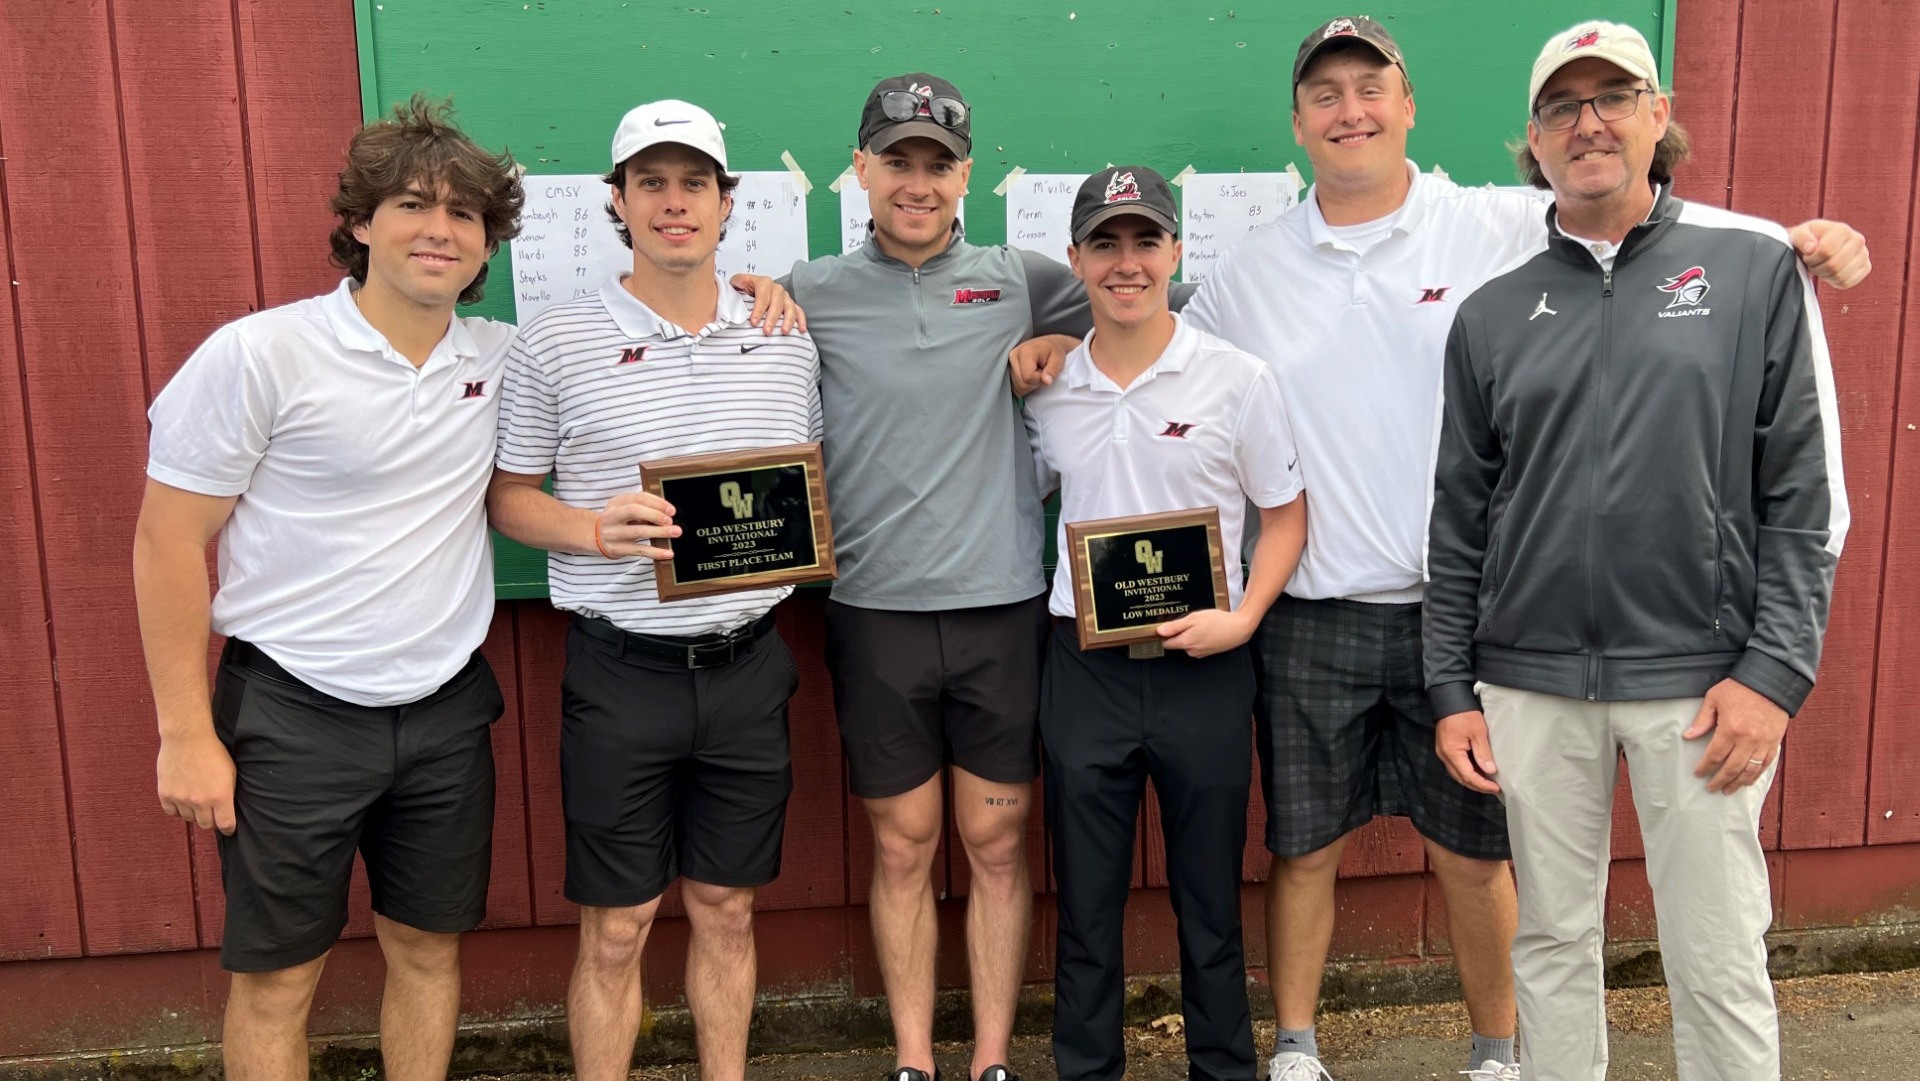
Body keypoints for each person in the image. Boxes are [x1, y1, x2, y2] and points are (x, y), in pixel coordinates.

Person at [1010, 16, 1868, 1081]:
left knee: (1476, 853)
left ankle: (1498, 1053)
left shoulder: (1492, 223)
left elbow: (1636, 219)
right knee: (1304, 848)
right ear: (1298, 123)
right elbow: (1146, 317)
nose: (1351, 110)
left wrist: (1798, 238)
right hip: (1314, 606)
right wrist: (1054, 341)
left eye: (1372, 88)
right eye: (1326, 96)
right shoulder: (1251, 271)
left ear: (1409, 105)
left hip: (1468, 614)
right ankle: (1295, 1045)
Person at [1424, 21, 1846, 1081]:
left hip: (1702, 687)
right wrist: (1451, 687)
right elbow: (1460, 515)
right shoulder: (1490, 314)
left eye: (1615, 96)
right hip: (1530, 684)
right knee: (1554, 944)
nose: (1590, 122)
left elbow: (1803, 495)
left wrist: (1774, 674)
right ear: (1535, 141)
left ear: (1660, 118)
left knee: (1715, 954)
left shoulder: (1754, 275)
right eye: (1564, 107)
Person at [133, 96, 524, 1081]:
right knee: (277, 979)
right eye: (412, 204)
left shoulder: (501, 358)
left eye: (465, 215)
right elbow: (168, 542)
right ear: (358, 222)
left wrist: (752, 292)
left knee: (429, 951)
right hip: (292, 714)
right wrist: (186, 733)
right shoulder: (262, 355)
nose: (439, 229)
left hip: (441, 710)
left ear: (487, 246)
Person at [780, 73, 1108, 1081]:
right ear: (861, 168)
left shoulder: (1021, 277)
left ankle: (994, 1059)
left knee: (995, 844)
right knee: (903, 843)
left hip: (1002, 609)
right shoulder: (811, 289)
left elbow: (1146, 302)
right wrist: (750, 292)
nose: (916, 183)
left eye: (937, 164)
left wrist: (1070, 333)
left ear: (966, 174)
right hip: (874, 610)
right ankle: (915, 1061)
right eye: (896, 161)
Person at [486, 99, 819, 1081]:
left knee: (727, 907)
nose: (675, 203)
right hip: (620, 669)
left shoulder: (785, 335)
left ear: (728, 205)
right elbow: (509, 497)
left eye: (694, 184)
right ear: (619, 204)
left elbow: (808, 486)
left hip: (749, 664)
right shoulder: (555, 341)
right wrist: (591, 526)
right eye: (651, 184)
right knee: (620, 922)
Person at [1025, 166, 1307, 1081]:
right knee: (1088, 905)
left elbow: (1286, 513)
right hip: (1086, 666)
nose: (1127, 262)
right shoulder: (1051, 385)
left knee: (1208, 904)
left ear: (1176, 251)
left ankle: (1223, 1069)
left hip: (1206, 668)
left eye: (1145, 240)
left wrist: (1247, 616)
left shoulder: (1236, 378)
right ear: (1076, 260)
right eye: (1104, 244)